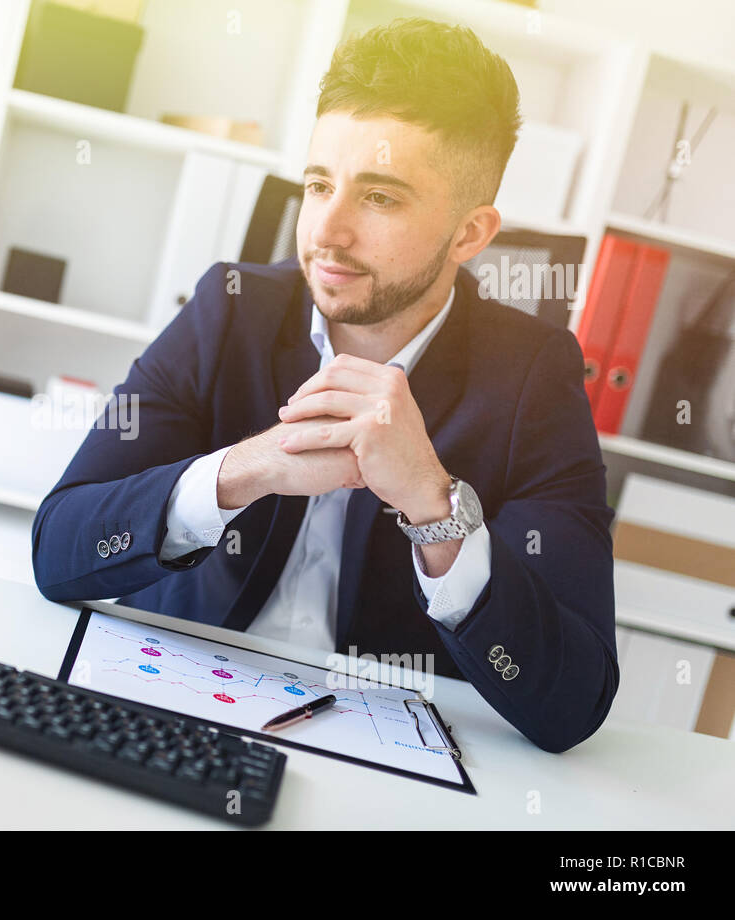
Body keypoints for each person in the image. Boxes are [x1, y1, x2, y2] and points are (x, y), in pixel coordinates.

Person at [31, 18, 618, 753]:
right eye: (317, 184)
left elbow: (573, 703)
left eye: (381, 198)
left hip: (373, 759)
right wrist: (240, 471)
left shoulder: (533, 374)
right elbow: (58, 553)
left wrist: (436, 510)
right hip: (176, 714)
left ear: (470, 234)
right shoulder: (231, 307)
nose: (326, 232)